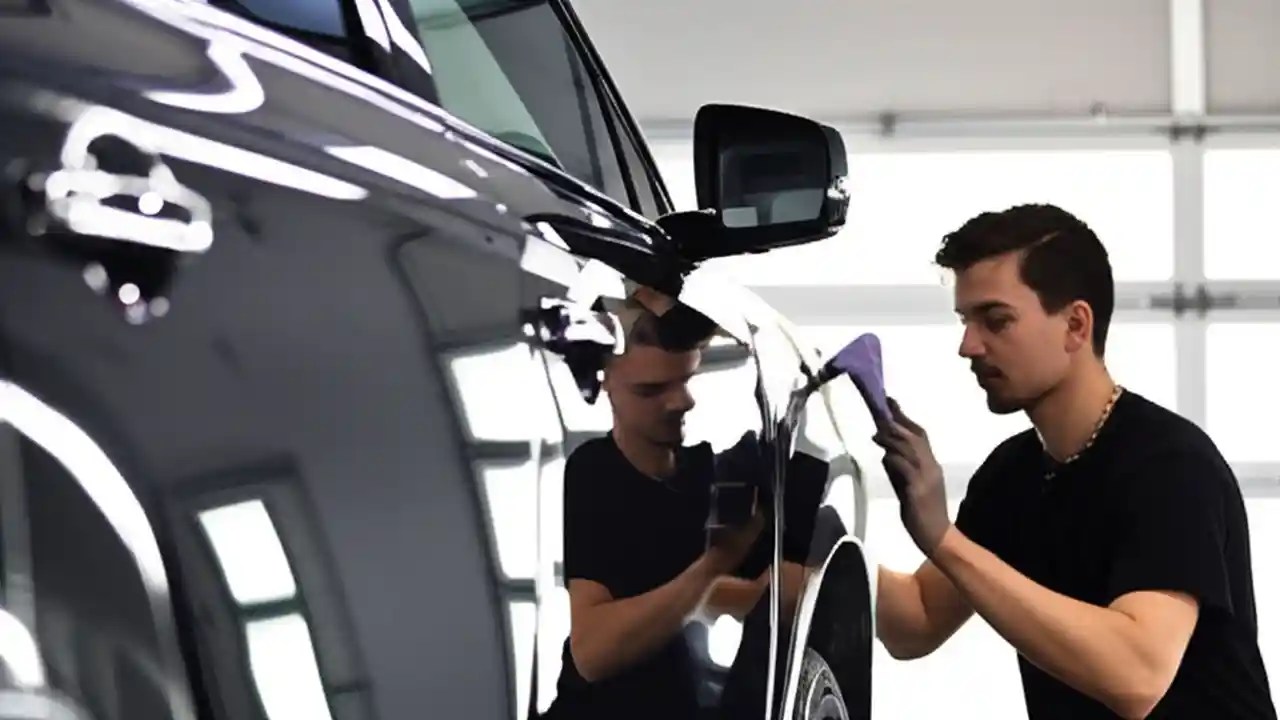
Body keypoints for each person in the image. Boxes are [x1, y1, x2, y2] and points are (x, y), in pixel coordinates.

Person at [872, 203, 1276, 719]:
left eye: (996, 321)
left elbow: (1135, 676)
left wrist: (943, 537)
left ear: (1076, 326)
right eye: (966, 321)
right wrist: (791, 547)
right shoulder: (1012, 475)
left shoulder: (1169, 466)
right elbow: (918, 618)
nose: (968, 346)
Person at [542, 293, 808, 720]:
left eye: (685, 381)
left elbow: (778, 589)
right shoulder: (593, 475)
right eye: (651, 391)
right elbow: (593, 652)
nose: (680, 402)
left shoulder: (712, 477)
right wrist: (713, 569)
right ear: (605, 385)